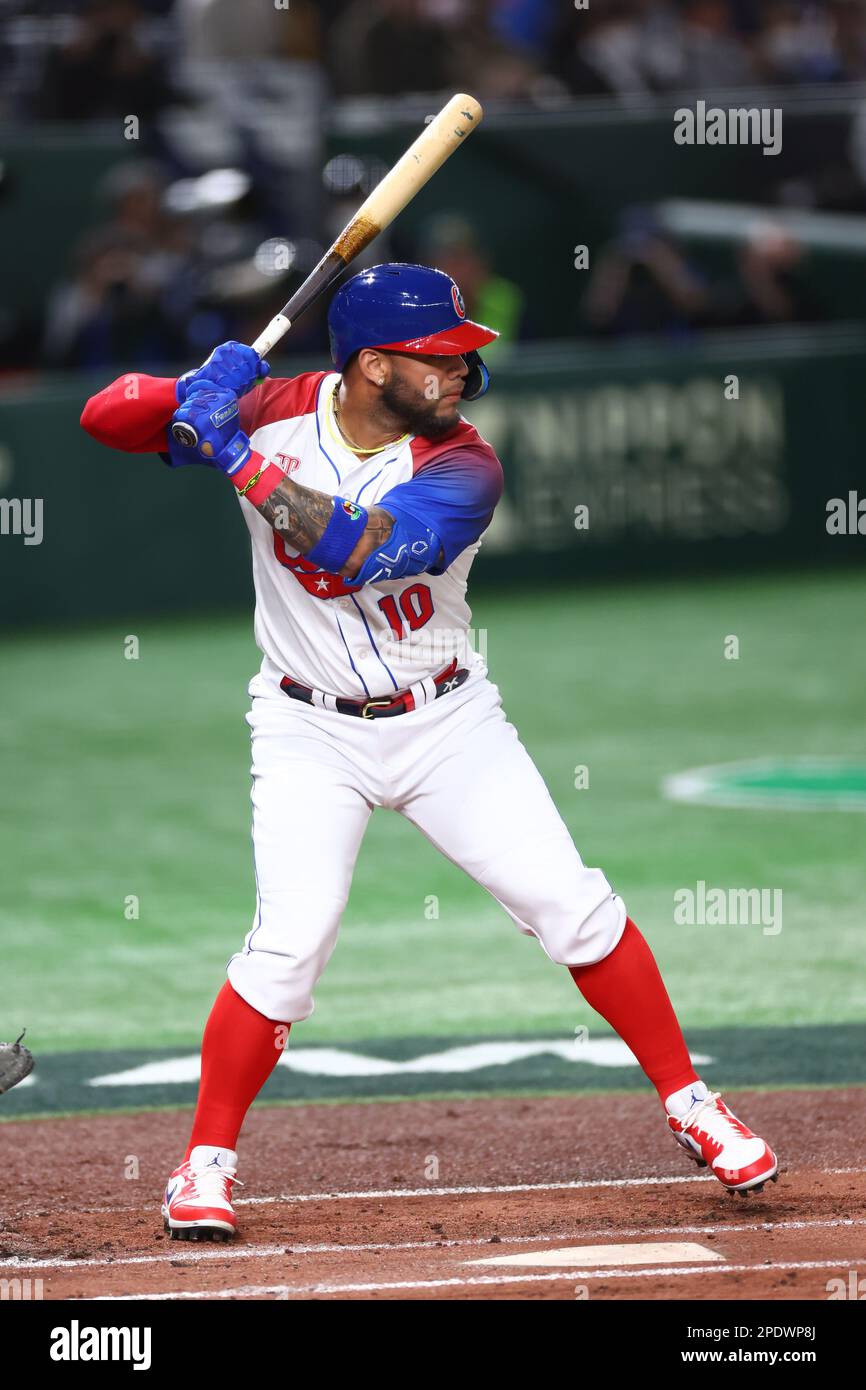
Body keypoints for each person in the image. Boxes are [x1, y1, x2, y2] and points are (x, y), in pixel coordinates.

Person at [80, 262, 778, 1241]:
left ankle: (691, 1104)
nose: (458, 374)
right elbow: (102, 417)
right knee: (287, 950)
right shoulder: (270, 406)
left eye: (458, 358)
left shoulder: (463, 465)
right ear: (371, 366)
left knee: (569, 905)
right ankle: (203, 1165)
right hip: (303, 727)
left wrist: (232, 453)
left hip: (446, 721)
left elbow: (354, 550)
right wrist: (201, 383)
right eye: (437, 358)